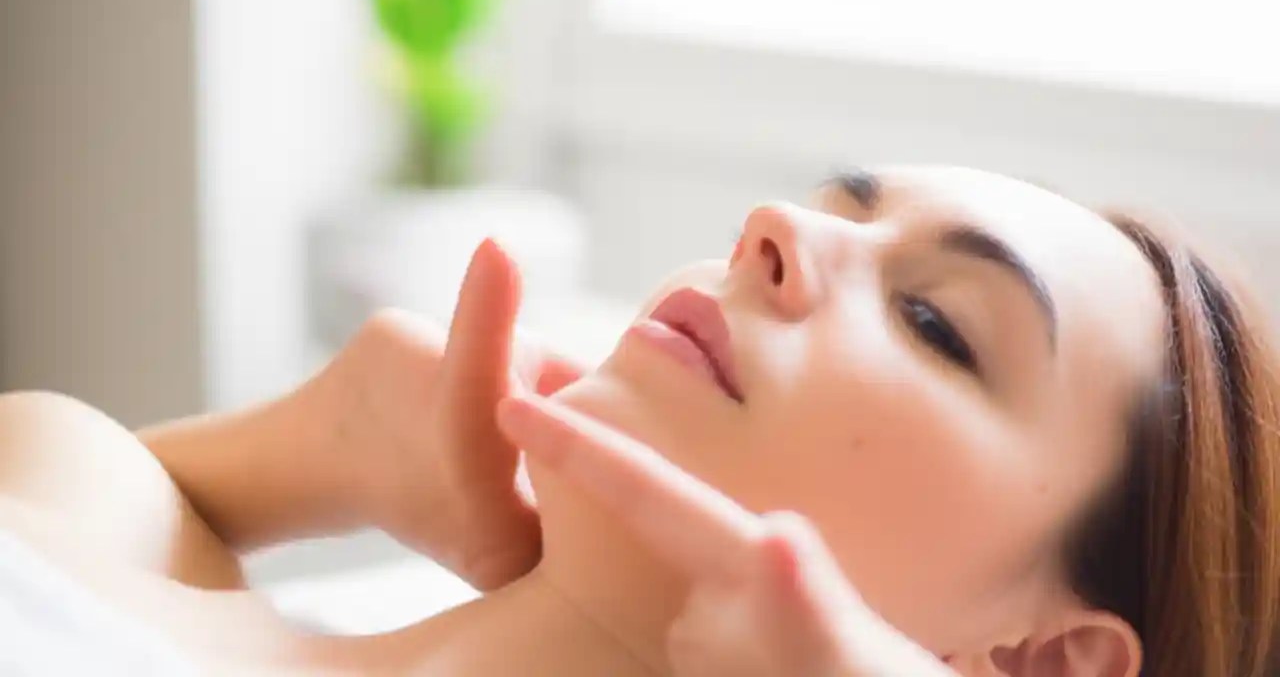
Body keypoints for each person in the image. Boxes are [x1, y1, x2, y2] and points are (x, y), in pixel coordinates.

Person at [0, 166, 1276, 676]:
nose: (778, 230)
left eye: (937, 324)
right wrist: (289, 457)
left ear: (1035, 663)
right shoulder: (87, 489)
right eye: (844, 206)